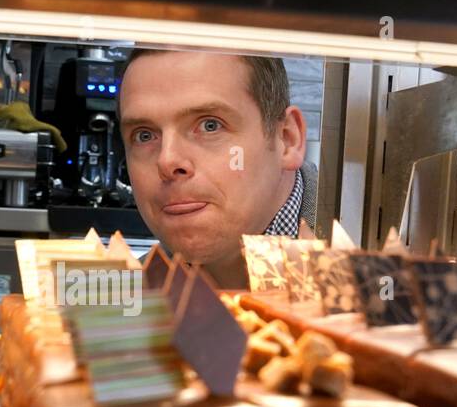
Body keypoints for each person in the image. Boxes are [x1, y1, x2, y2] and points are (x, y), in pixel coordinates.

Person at [118, 49, 313, 288]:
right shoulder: (122, 301)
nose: (167, 161)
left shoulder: (363, 276)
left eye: (210, 125)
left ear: (287, 140)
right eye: (144, 135)